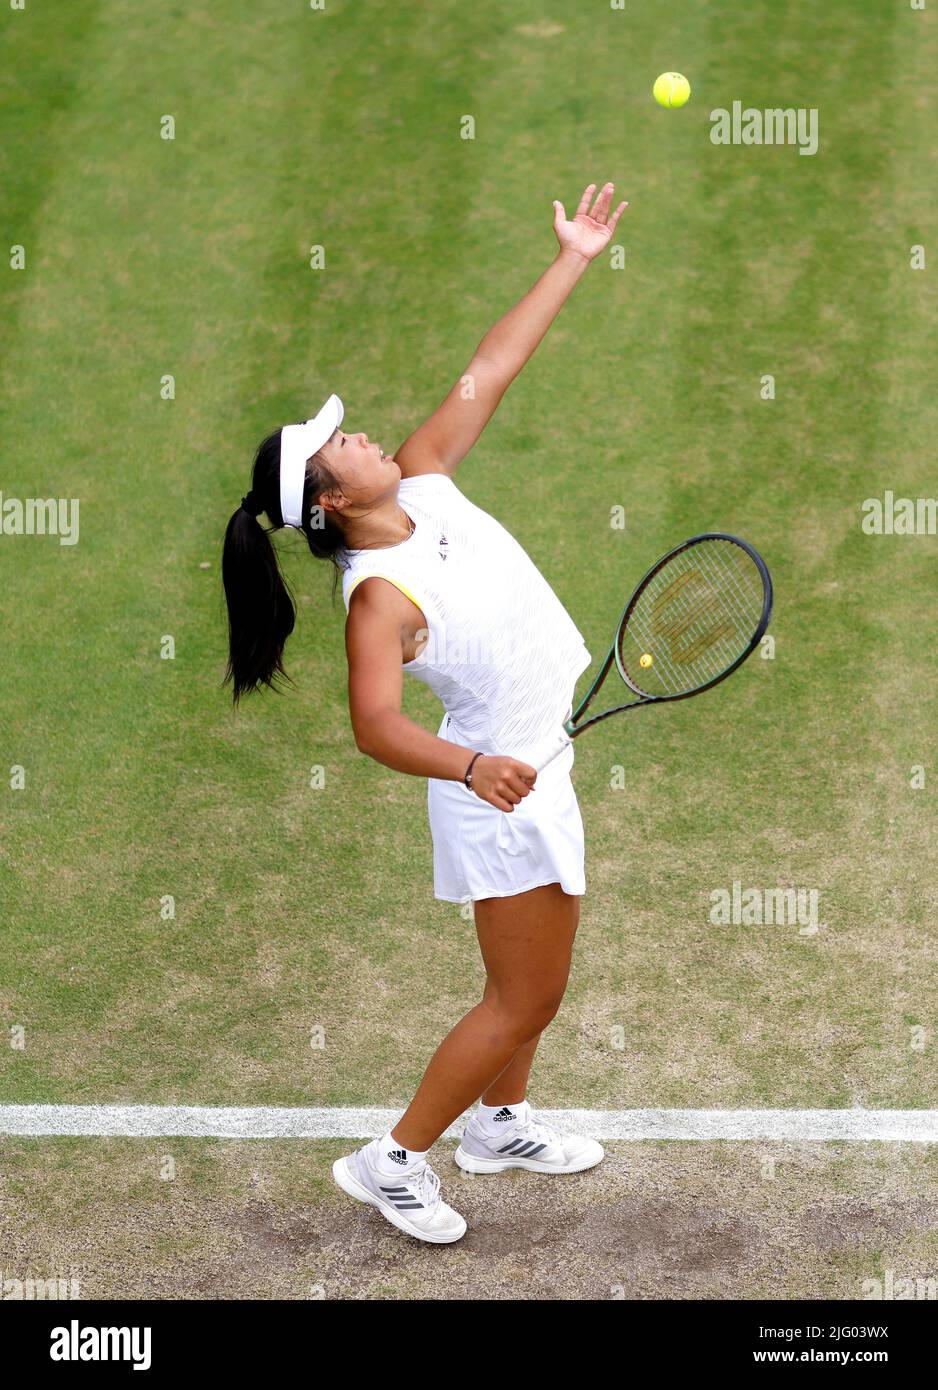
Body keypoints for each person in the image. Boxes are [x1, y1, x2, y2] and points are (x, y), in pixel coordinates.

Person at [222, 183, 628, 1244]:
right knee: (523, 999)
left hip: (536, 764)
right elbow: (373, 726)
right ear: (330, 504)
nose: (353, 432)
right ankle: (393, 1158)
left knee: (531, 981)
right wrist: (468, 767)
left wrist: (572, 257)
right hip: (499, 793)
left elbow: (489, 367)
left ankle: (498, 1123)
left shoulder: (426, 477)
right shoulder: (379, 602)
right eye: (335, 445)